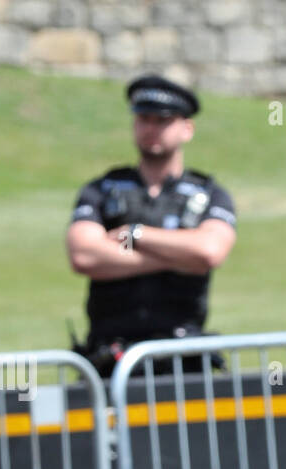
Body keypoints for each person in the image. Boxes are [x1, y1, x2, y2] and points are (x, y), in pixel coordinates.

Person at [66, 74, 237, 376]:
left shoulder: (209, 193)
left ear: (187, 128)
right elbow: (84, 255)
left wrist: (135, 234)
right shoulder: (102, 190)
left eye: (163, 120)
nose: (151, 128)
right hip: (110, 360)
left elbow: (209, 252)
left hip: (181, 359)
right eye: (144, 118)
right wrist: (178, 255)